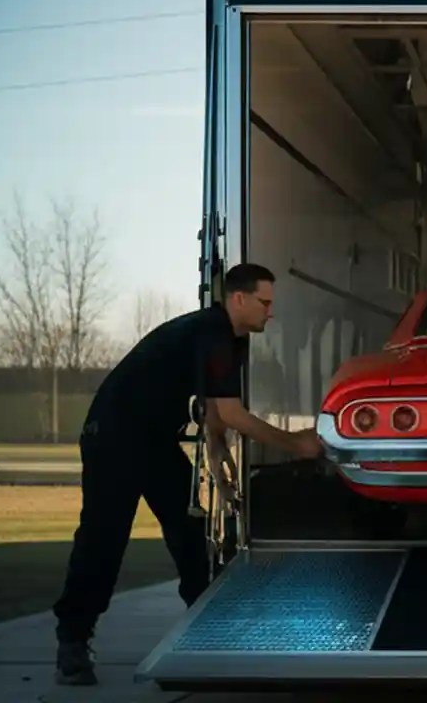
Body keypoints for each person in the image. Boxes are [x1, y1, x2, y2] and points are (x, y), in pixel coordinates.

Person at [52, 263, 324, 686]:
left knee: (188, 531)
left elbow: (216, 407)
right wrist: (296, 443)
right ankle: (72, 640)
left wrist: (216, 450)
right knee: (104, 538)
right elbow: (232, 412)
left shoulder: (233, 339)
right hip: (114, 435)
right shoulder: (212, 331)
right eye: (265, 302)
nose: (270, 312)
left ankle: (206, 626)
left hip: (155, 440)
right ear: (239, 299)